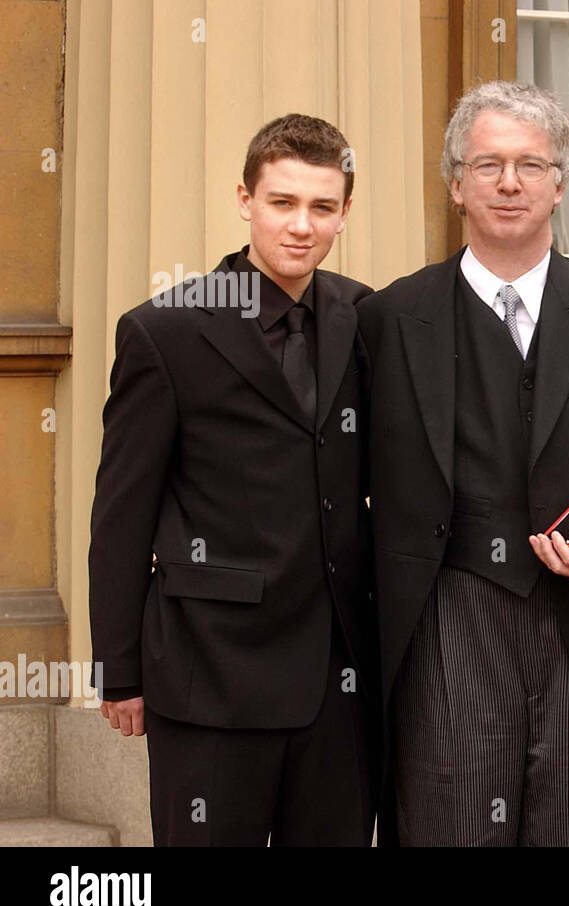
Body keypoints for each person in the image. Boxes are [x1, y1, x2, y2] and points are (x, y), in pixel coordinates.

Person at [358, 81, 569, 846]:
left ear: (561, 184)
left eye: (531, 164)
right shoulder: (389, 317)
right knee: (451, 827)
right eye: (487, 163)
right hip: (446, 614)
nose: (508, 182)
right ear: (455, 183)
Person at [89, 114, 379, 845]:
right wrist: (119, 671)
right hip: (209, 673)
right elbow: (123, 512)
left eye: (322, 207)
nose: (301, 226)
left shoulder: (368, 317)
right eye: (282, 202)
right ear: (245, 199)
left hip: (341, 681)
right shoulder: (164, 331)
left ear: (345, 213)